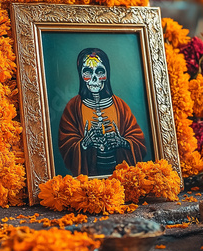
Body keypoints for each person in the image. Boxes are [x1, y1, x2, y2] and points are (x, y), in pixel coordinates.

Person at [58, 48, 147, 176]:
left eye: (100, 72)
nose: (94, 79)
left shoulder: (120, 106)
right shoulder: (73, 107)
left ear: (107, 74)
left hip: (120, 180)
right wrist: (84, 143)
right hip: (88, 181)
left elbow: (139, 141)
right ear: (81, 75)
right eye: (87, 73)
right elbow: (66, 145)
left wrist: (123, 142)